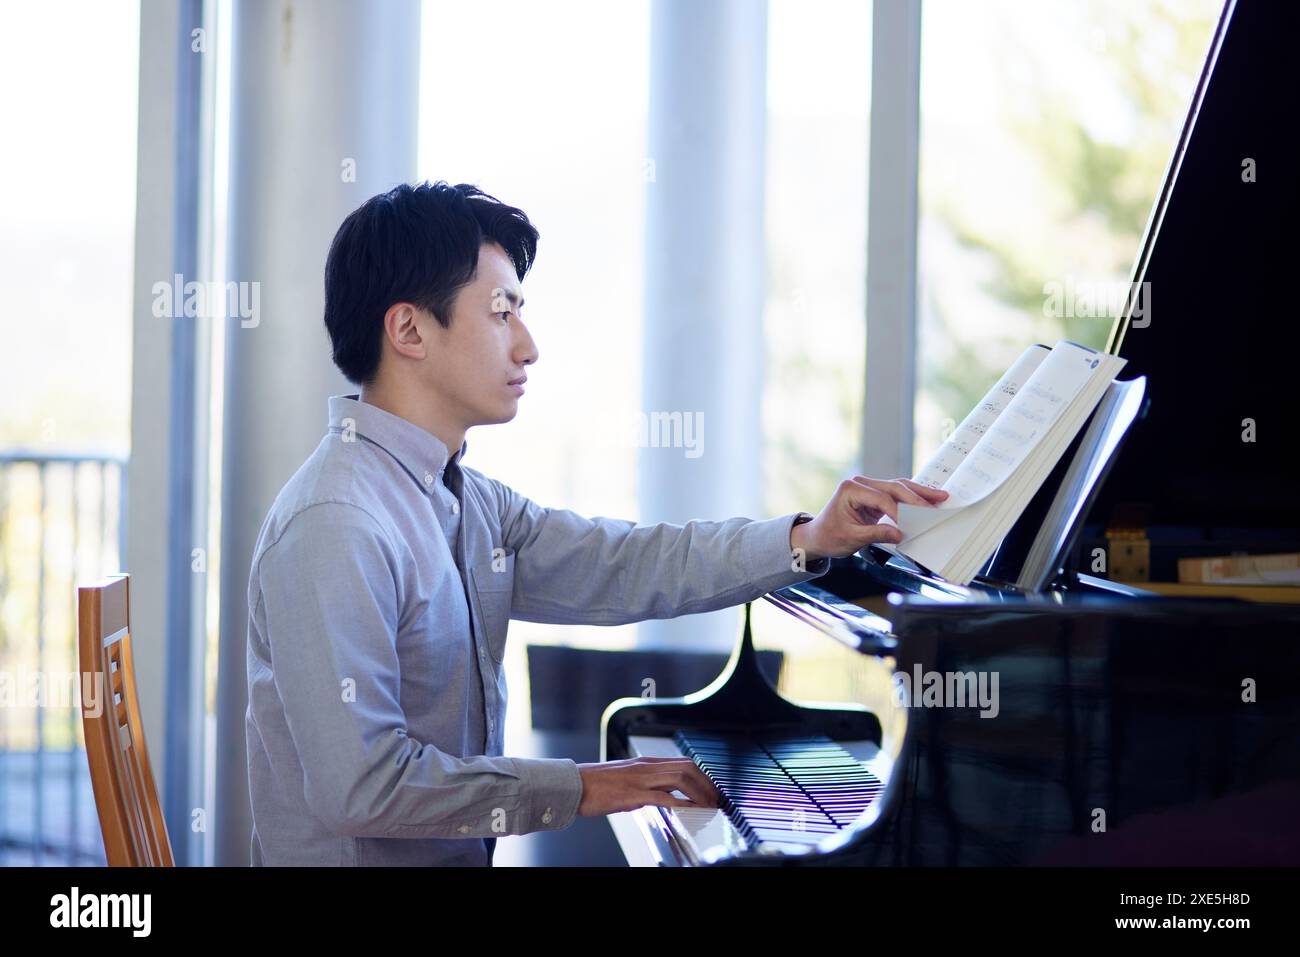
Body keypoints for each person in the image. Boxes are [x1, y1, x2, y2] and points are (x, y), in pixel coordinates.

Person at [244, 180, 948, 866]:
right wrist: (585, 786)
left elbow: (630, 562)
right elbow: (362, 787)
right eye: (501, 313)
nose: (528, 345)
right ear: (408, 330)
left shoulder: (464, 499)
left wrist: (807, 538)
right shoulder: (335, 523)